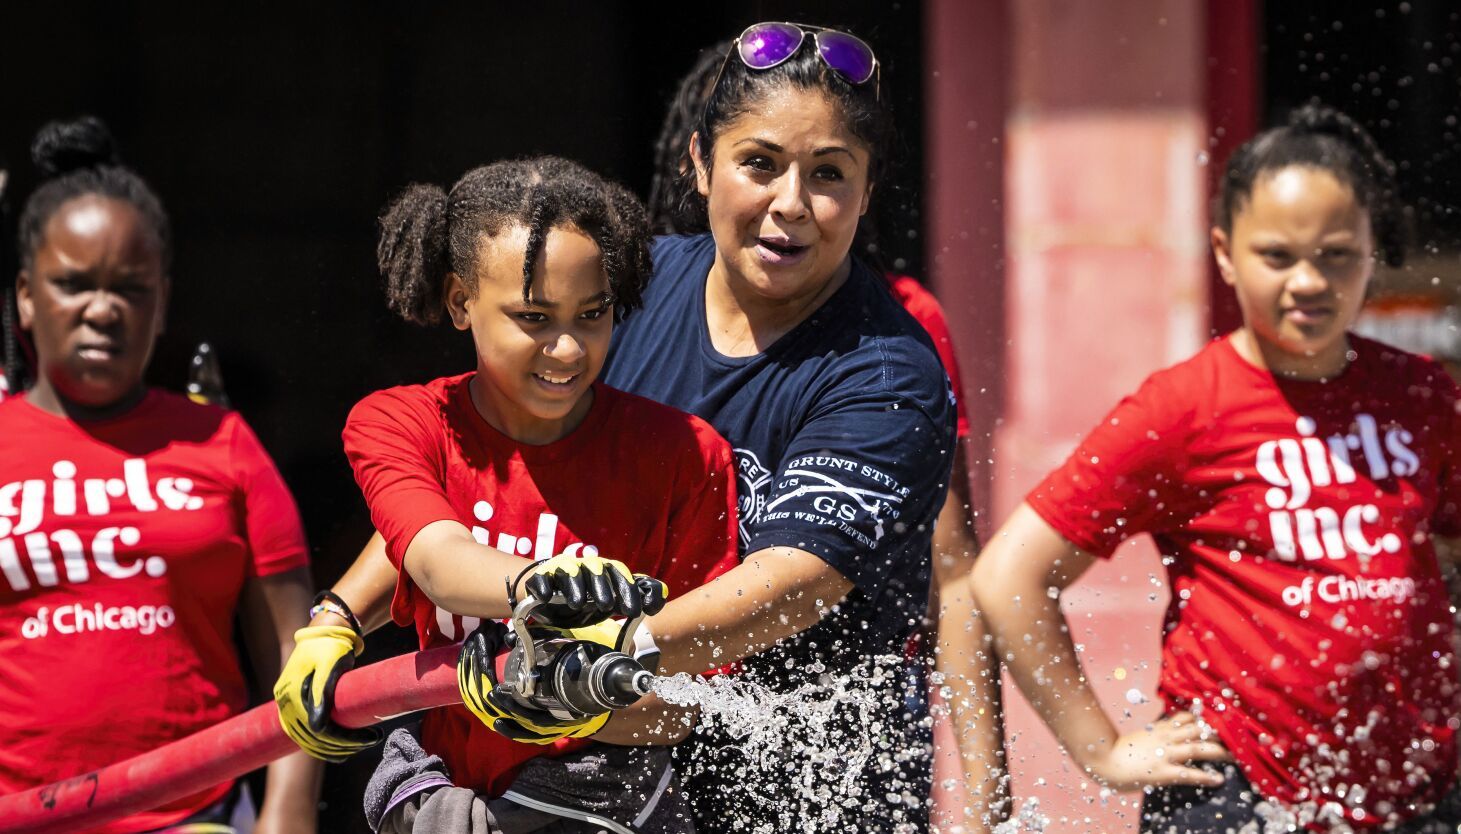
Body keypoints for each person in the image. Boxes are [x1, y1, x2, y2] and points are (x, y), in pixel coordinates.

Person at [971, 104, 1461, 833]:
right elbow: (1007, 575)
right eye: (1276, 256)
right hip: (1237, 795)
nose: (1307, 281)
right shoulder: (1184, 407)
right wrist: (1100, 749)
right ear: (1225, 254)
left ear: (1370, 250)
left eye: (1335, 254)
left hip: (1413, 791)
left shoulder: (1423, 393)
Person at [646, 38, 1004, 829]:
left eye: (829, 174)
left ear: (869, 189)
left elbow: (791, 591)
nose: (791, 202)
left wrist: (983, 803)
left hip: (810, 782)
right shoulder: (621, 295)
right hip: (615, 759)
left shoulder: (891, 372)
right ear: (700, 162)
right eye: (760, 163)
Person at [328, 156, 741, 831]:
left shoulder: (686, 457)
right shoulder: (399, 424)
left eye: (592, 314)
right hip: (443, 789)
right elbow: (434, 559)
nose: (568, 349)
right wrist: (333, 621)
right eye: (533, 317)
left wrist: (587, 700)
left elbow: (690, 698)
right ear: (461, 301)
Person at [0, 117, 321, 833]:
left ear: (162, 302)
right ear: (26, 296)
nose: (102, 309)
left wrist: (287, 810)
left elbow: (301, 659)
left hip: (196, 816)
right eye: (72, 285)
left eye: (130, 288)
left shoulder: (224, 443)